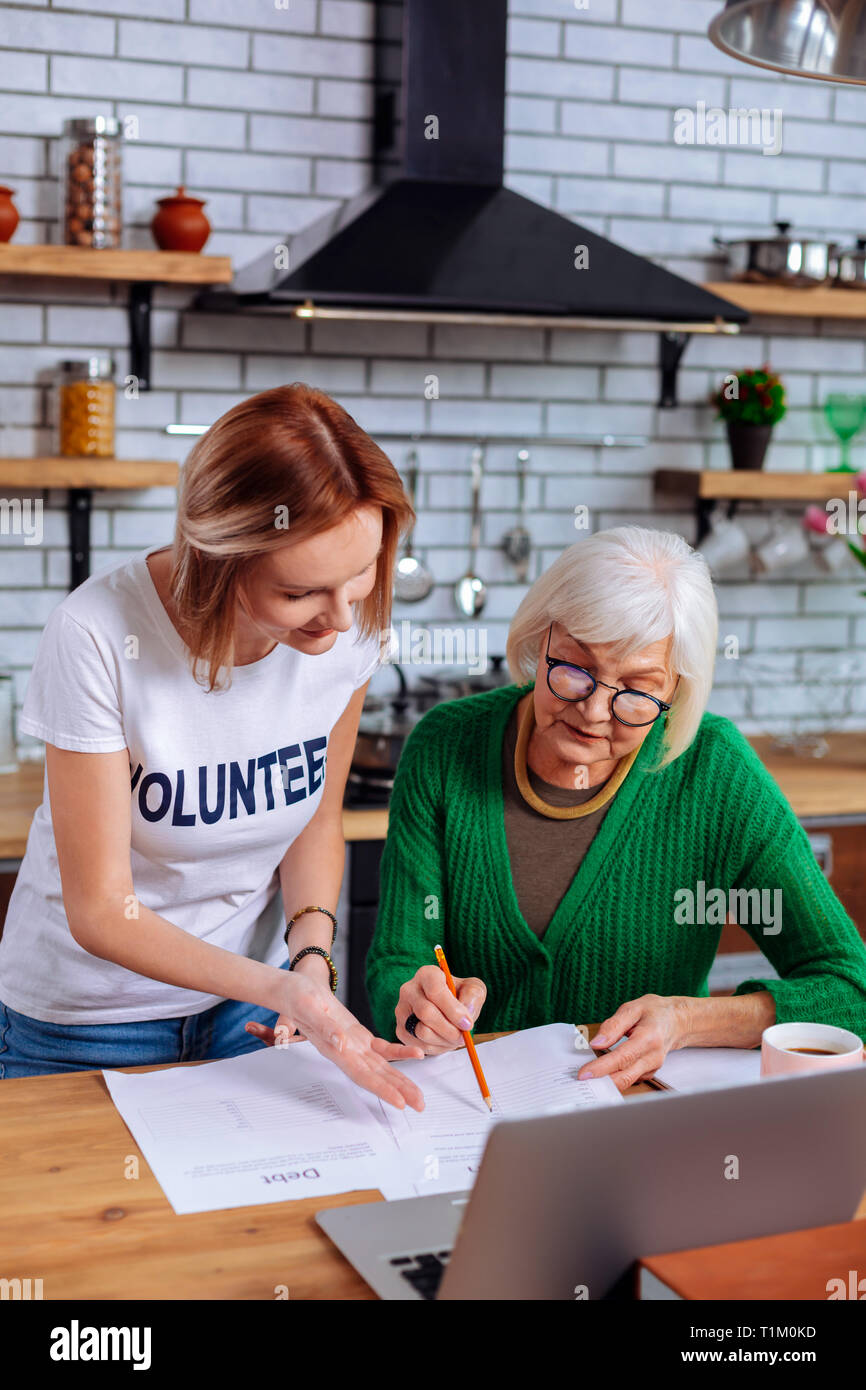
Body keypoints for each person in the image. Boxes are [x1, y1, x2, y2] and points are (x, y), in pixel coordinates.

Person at [0, 383, 424, 1111]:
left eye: (360, 578)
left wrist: (312, 965)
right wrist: (282, 984)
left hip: (246, 1015)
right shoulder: (97, 632)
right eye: (302, 594)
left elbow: (317, 819)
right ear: (220, 556)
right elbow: (101, 909)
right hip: (86, 1025)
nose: (340, 619)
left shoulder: (348, 631)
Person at [366, 525, 866, 1091]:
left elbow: (851, 988)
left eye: (636, 690)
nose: (595, 711)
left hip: (636, 1124)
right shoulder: (444, 746)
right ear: (541, 637)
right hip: (467, 1118)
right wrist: (417, 1007)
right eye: (575, 669)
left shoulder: (716, 773)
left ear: (676, 691)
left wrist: (690, 1021)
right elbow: (396, 964)